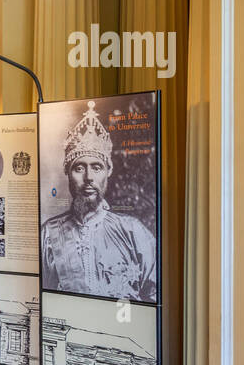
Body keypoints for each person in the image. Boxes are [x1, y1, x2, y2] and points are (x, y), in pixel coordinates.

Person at [41, 101, 157, 301]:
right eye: (79, 168)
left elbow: (153, 295)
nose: (88, 178)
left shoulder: (133, 232)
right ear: (67, 173)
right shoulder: (48, 235)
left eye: (96, 167)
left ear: (108, 171)